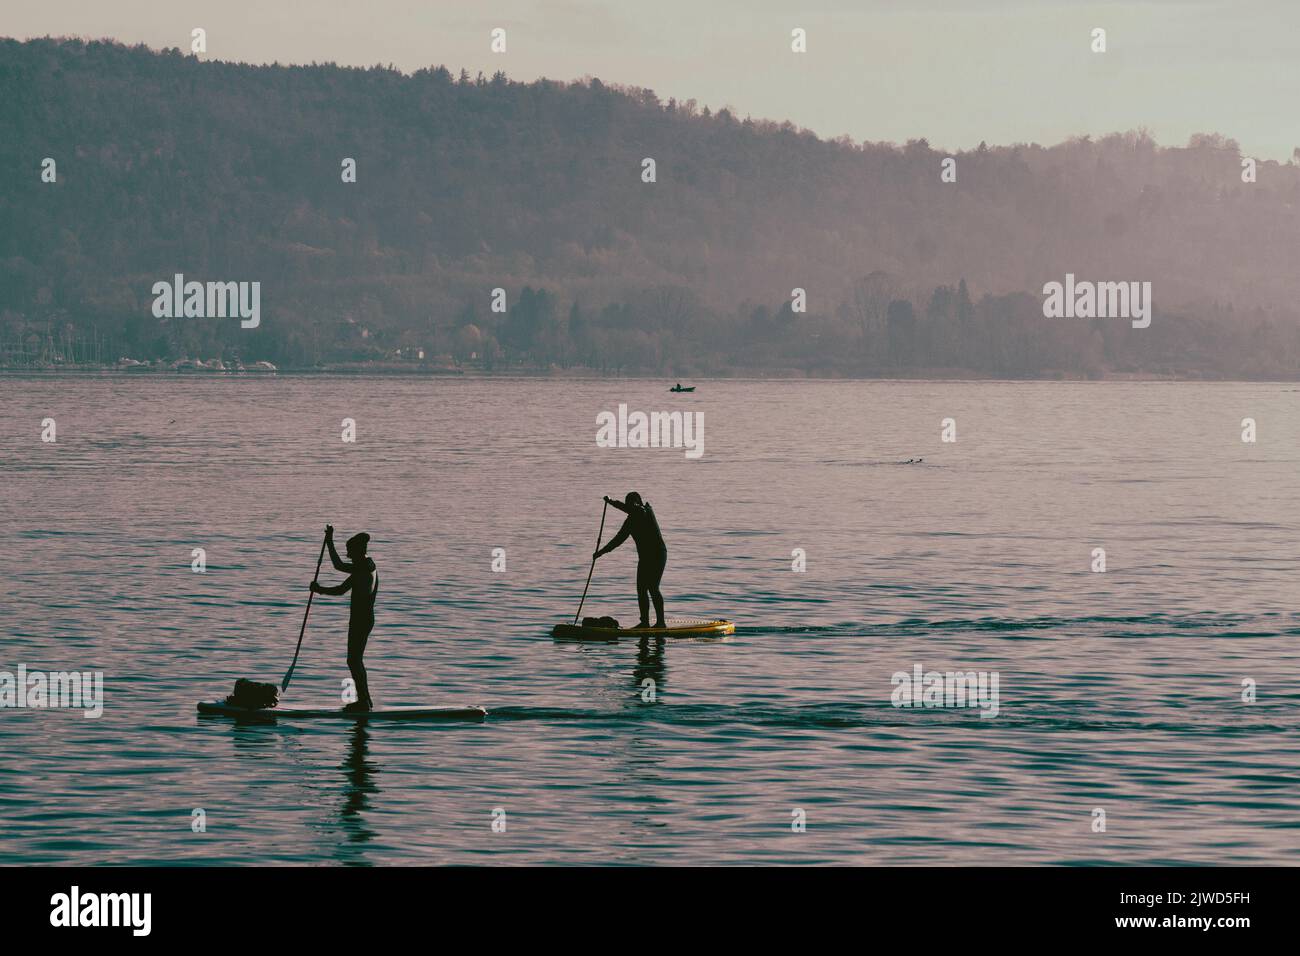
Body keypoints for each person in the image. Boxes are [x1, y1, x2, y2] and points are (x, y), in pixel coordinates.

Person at [310, 526, 378, 711]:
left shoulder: (363, 570)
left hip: (361, 621)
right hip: (364, 619)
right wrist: (330, 541)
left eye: (350, 552)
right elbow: (340, 567)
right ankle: (365, 700)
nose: (349, 555)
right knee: (355, 660)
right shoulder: (368, 566)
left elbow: (340, 588)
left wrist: (319, 589)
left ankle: (364, 701)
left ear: (358, 551)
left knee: (353, 660)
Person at [593, 492, 667, 628]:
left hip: (658, 555)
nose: (631, 505)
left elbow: (634, 509)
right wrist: (601, 552)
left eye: (633, 502)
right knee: (641, 589)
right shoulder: (630, 522)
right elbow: (617, 540)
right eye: (629, 502)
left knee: (653, 587)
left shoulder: (645, 511)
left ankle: (661, 623)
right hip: (645, 558)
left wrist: (612, 502)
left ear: (639, 502)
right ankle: (645, 622)